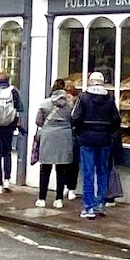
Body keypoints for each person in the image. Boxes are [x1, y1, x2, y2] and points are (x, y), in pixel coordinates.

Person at [70, 71, 120, 219]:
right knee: (103, 171)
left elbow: (76, 118)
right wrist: (109, 132)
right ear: (103, 82)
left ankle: (88, 207)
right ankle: (100, 204)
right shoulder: (110, 98)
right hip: (104, 139)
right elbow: (116, 120)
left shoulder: (83, 97)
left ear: (91, 82)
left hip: (86, 139)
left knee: (88, 173)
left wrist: (78, 132)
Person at [33, 79, 75, 208]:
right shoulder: (70, 104)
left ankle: (41, 198)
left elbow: (38, 121)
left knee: (45, 168)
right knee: (61, 169)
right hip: (64, 137)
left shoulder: (45, 104)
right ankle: (58, 199)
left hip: (48, 136)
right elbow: (73, 120)